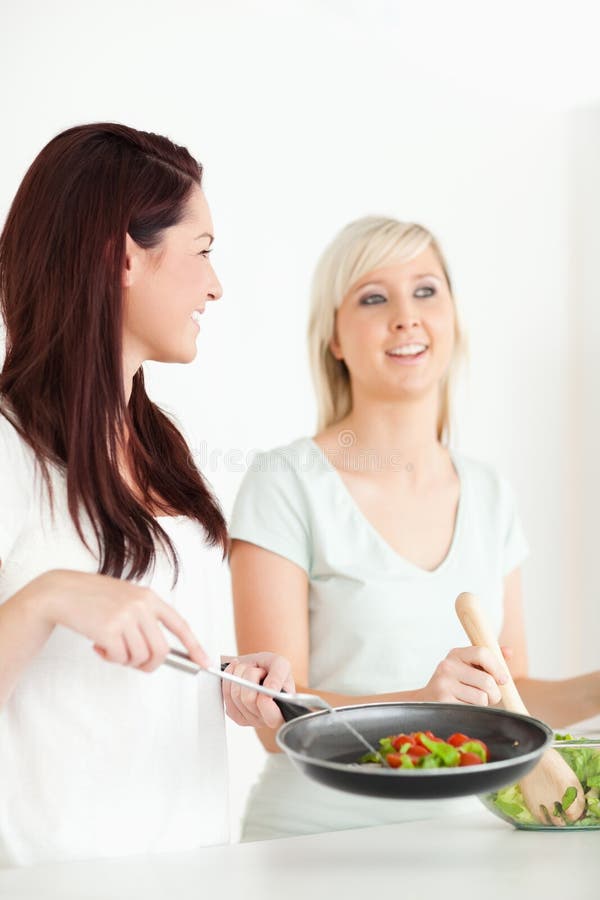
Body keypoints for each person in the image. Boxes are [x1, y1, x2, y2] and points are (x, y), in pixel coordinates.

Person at [229, 215, 600, 840]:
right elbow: (274, 720)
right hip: (315, 847)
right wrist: (423, 706)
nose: (407, 317)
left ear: (452, 318)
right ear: (335, 338)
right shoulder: (286, 484)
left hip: (474, 847)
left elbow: (511, 701)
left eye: (426, 291)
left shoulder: (489, 493)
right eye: (374, 298)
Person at [0, 123, 293, 867]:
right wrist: (45, 600)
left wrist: (226, 675)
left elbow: (118, 665)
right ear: (122, 256)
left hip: (195, 867)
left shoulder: (159, 445)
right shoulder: (8, 449)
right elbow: (60, 606)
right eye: (202, 250)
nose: (216, 286)